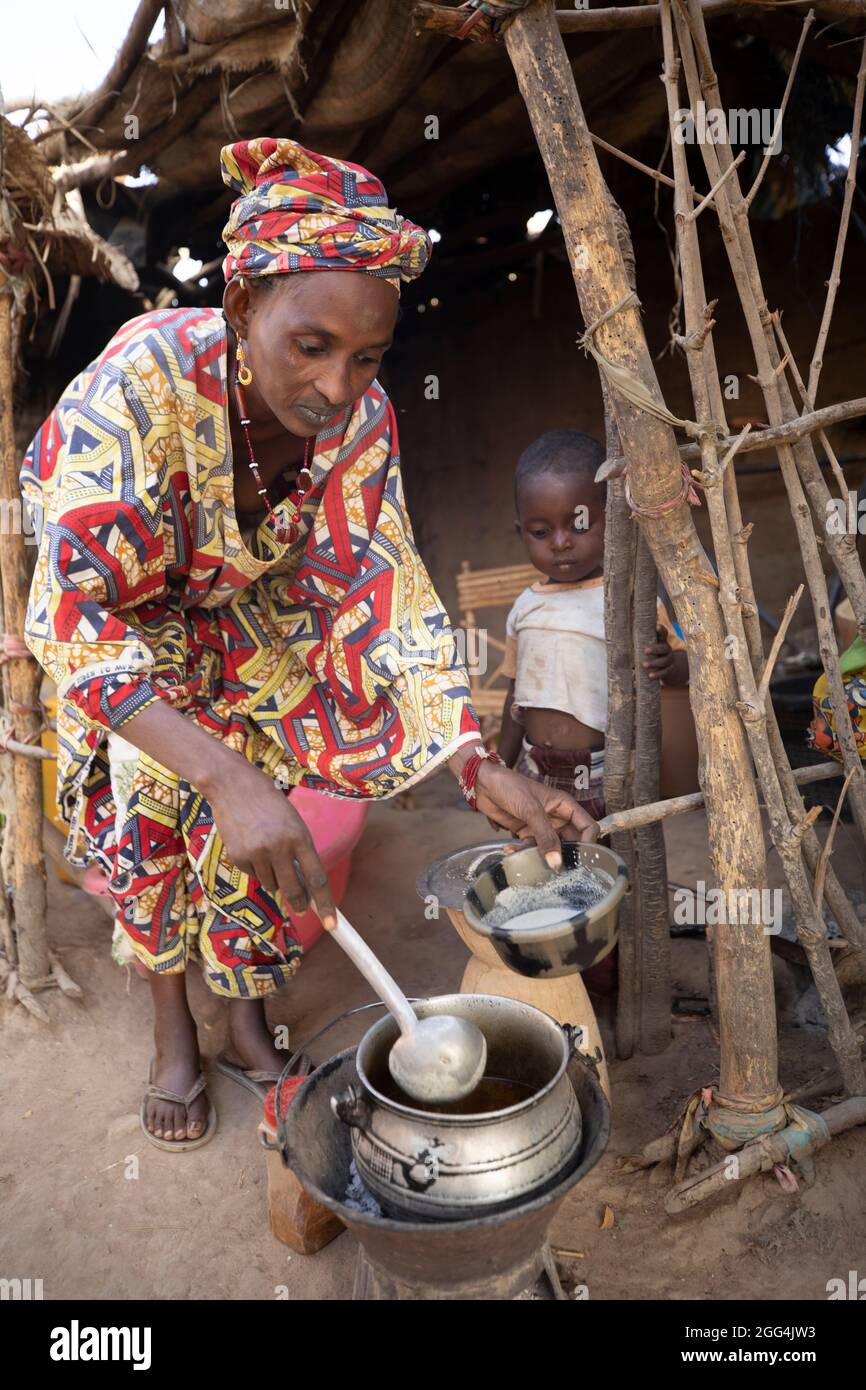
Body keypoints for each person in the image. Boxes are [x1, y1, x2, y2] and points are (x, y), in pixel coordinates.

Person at [22, 140, 597, 1151]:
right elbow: (69, 613)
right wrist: (215, 773)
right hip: (130, 645)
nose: (336, 385)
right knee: (151, 826)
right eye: (311, 344)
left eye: (366, 356)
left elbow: (381, 584)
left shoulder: (360, 422)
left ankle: (243, 1016)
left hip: (250, 635)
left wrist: (474, 761)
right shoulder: (135, 391)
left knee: (268, 833)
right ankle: (172, 1032)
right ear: (242, 305)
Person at [497, 430, 689, 811]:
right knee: (546, 862)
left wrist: (669, 664)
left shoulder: (629, 601)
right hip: (535, 767)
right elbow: (516, 696)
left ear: (612, 521)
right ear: (522, 534)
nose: (561, 542)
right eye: (541, 532)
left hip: (607, 769)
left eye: (579, 524)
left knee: (607, 861)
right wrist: (502, 766)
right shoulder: (524, 607)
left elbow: (686, 670)